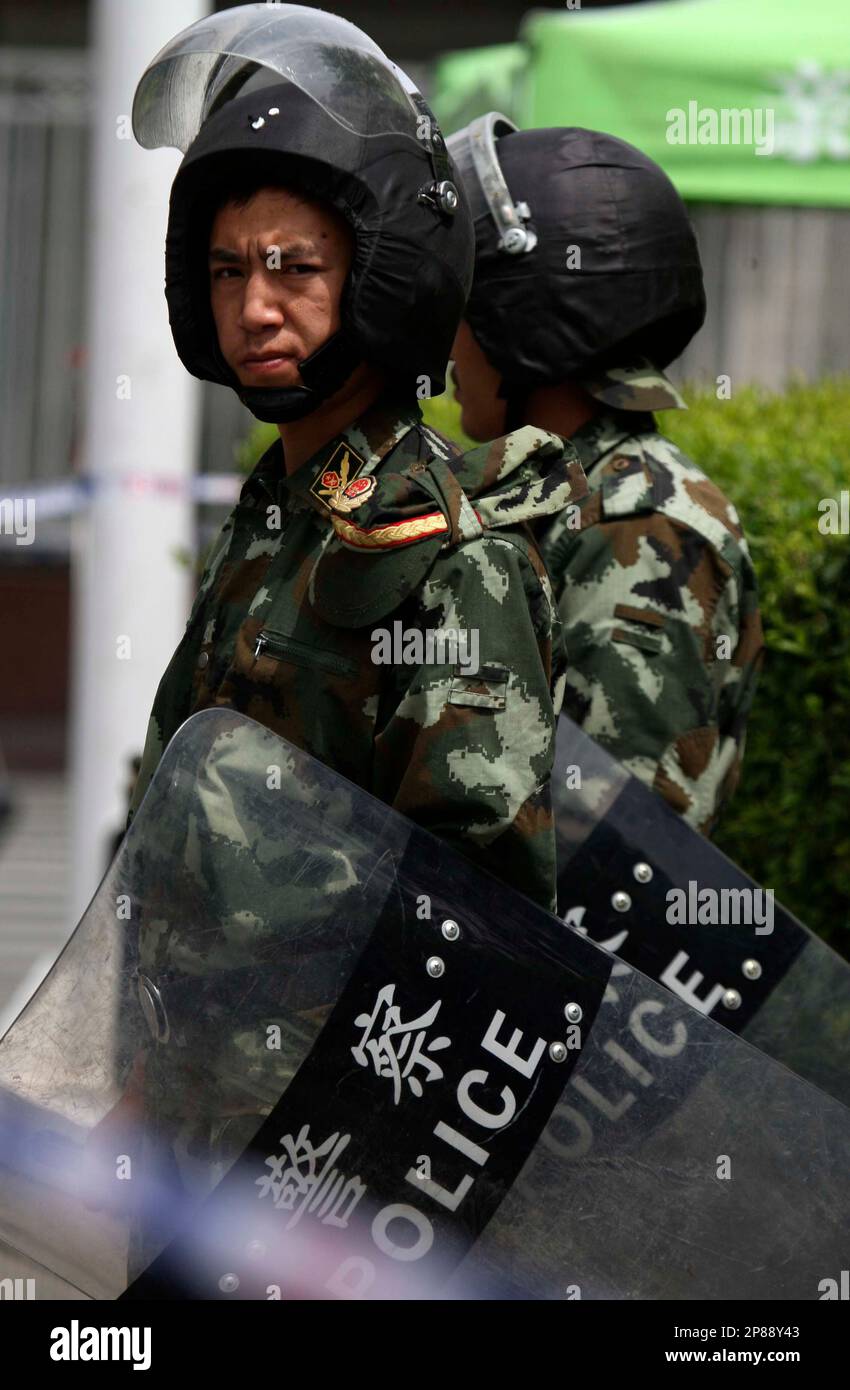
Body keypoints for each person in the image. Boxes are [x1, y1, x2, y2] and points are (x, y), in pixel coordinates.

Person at [126, 13, 588, 914]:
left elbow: (472, 908)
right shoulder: (278, 515)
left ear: (383, 276)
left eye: (294, 269)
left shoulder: (452, 554)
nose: (254, 309)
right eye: (227, 272)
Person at [447, 117, 764, 834]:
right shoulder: (552, 492)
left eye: (468, 305)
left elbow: (614, 842)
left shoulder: (638, 523)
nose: (451, 340)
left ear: (520, 320)